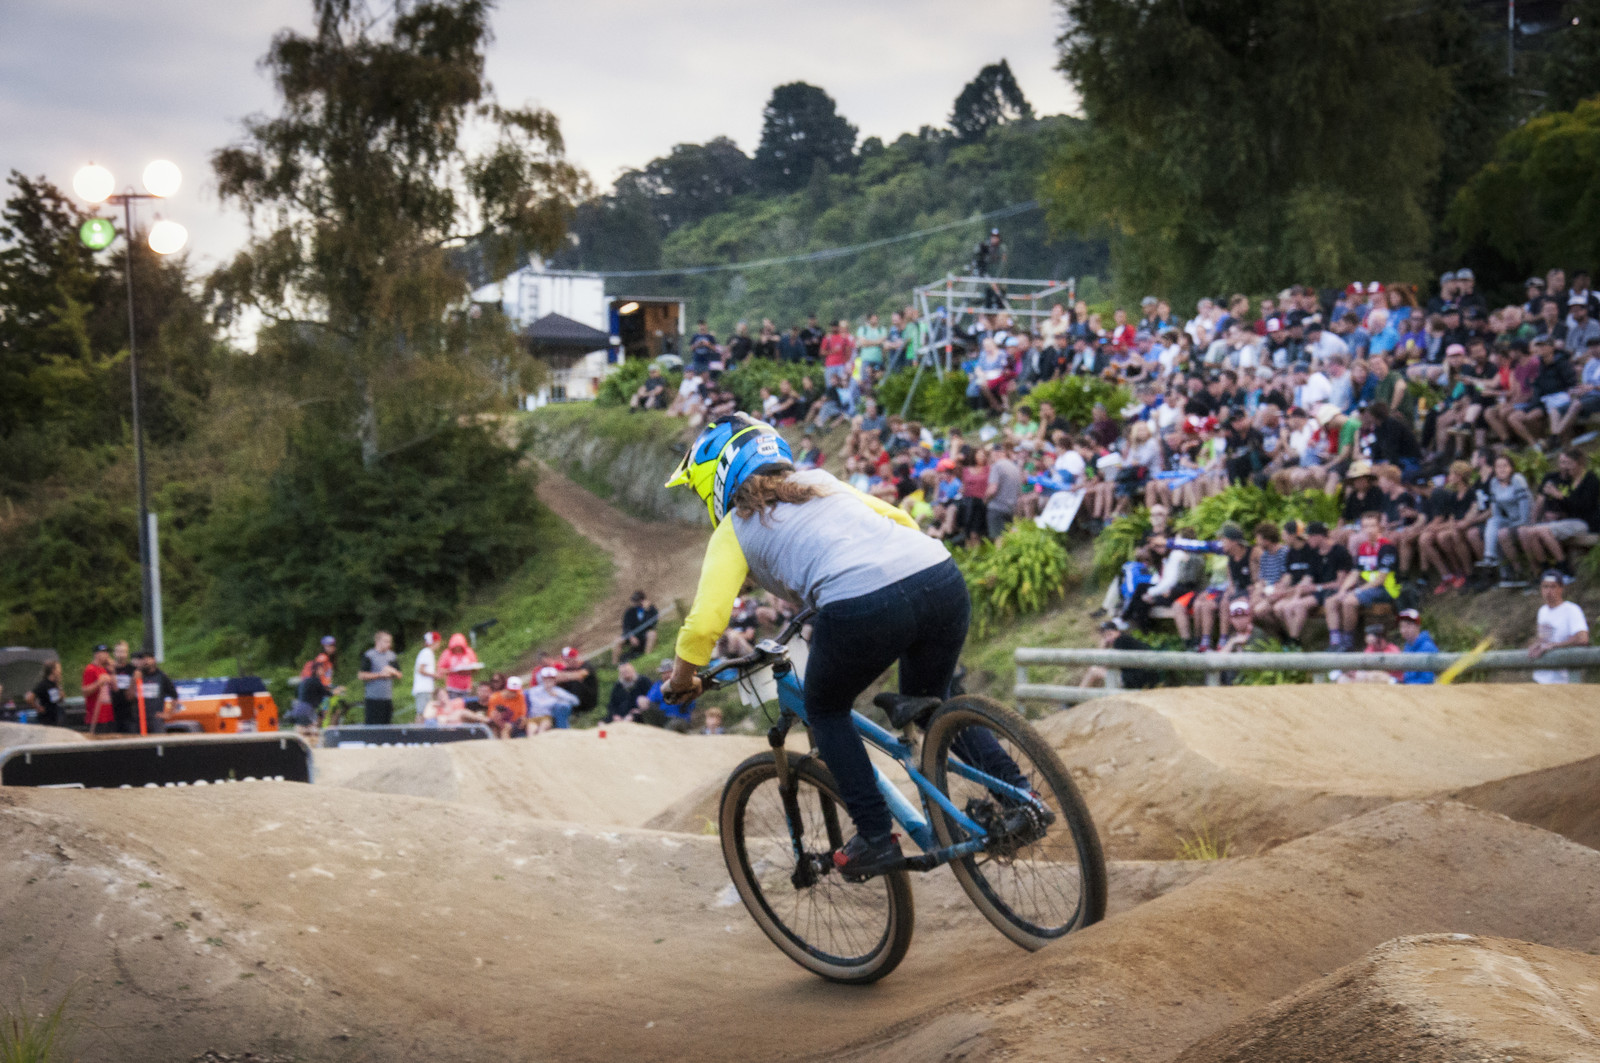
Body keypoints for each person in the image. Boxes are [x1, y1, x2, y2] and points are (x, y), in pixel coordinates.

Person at [661, 412, 1022, 879]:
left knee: (825, 708)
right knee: (935, 704)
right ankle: (1020, 799)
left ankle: (875, 836)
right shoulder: (819, 481)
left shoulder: (735, 527)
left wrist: (682, 679)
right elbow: (896, 517)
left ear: (718, 478)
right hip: (939, 576)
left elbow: (706, 620)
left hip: (860, 602)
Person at [1528, 571, 1590, 684]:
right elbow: (1545, 639)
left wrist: (1555, 646)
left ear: (1561, 588)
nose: (1549, 591)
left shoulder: (1571, 610)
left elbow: (1582, 639)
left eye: (1553, 587)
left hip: (1563, 680)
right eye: (1545, 587)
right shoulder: (1542, 611)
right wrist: (1537, 645)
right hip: (1540, 678)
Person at [1081, 621, 1159, 690]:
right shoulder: (1126, 639)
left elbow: (1102, 663)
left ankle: (1075, 698)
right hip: (1142, 679)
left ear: (1117, 632)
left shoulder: (1120, 640)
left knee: (1094, 670)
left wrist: (1102, 647)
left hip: (1136, 681)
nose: (1108, 639)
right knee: (1102, 672)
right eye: (1105, 637)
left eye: (1109, 634)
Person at [358, 630, 402, 726]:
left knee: (386, 726)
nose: (388, 644)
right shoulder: (369, 655)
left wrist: (392, 672)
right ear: (378, 642)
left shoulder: (391, 656)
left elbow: (399, 674)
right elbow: (361, 675)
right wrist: (380, 675)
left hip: (387, 698)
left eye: (390, 642)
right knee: (372, 727)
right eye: (386, 641)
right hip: (373, 698)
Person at [289, 659, 344, 736]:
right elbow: (326, 694)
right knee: (311, 733)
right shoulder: (315, 681)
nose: (323, 671)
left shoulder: (306, 681)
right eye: (321, 669)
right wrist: (337, 691)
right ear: (316, 670)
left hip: (299, 709)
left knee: (302, 732)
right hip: (307, 710)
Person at [639, 658, 694, 731]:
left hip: (679, 718)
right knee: (646, 708)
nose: (666, 675)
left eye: (669, 672)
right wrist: (643, 701)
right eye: (664, 673)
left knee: (673, 725)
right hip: (663, 716)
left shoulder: (684, 685)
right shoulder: (657, 685)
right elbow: (649, 700)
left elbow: (691, 704)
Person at [133, 649, 181, 733]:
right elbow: (129, 696)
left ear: (153, 660)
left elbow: (174, 696)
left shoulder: (161, 676)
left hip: (155, 719)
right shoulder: (137, 675)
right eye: (143, 659)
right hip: (138, 718)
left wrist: (168, 714)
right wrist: (133, 680)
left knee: (158, 742)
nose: (145, 661)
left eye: (148, 658)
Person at [523, 666, 579, 733]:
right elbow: (536, 703)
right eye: (546, 678)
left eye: (551, 678)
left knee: (541, 730)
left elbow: (576, 701)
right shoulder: (534, 691)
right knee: (531, 732)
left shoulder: (558, 691)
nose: (548, 680)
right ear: (542, 679)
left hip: (546, 718)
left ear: (555, 680)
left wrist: (558, 695)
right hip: (533, 718)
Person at [1395, 608, 1439, 684]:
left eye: (1408, 626)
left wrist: (1402, 685)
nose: (1404, 630)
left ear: (1417, 626)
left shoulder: (1427, 647)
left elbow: (1427, 681)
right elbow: (1407, 677)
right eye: (1402, 626)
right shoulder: (1408, 647)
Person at [81, 643, 115, 735]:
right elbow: (85, 691)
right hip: (96, 717)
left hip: (108, 715)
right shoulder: (90, 669)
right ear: (96, 654)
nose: (107, 655)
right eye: (103, 652)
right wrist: (98, 683)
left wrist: (112, 670)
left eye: (107, 652)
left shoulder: (105, 669)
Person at [555, 647, 598, 717]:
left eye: (568, 660)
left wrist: (565, 676)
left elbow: (580, 675)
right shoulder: (567, 669)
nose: (565, 663)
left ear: (574, 658)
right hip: (573, 701)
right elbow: (556, 677)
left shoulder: (586, 666)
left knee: (576, 681)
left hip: (587, 700)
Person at [437, 632, 479, 702]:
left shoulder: (469, 652)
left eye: (459, 647)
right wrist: (452, 671)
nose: (457, 649)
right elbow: (440, 669)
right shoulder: (447, 653)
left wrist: (470, 670)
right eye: (456, 647)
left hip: (467, 687)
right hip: (452, 688)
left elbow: (475, 666)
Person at [110, 640, 138, 734]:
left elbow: (133, 693)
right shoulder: (109, 669)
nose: (121, 654)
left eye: (123, 651)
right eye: (119, 651)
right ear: (114, 653)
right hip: (112, 710)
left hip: (129, 711)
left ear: (127, 653)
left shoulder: (133, 670)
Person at [27, 659, 65, 727]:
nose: (60, 671)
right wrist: (37, 708)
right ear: (53, 671)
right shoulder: (43, 684)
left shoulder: (54, 684)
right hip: (46, 719)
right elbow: (29, 698)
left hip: (55, 716)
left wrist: (59, 687)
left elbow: (60, 699)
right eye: (58, 669)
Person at [412, 630, 440, 721]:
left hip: (426, 688)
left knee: (425, 713)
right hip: (423, 688)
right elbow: (421, 670)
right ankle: (418, 733)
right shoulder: (427, 652)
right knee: (422, 713)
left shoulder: (427, 652)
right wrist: (435, 675)